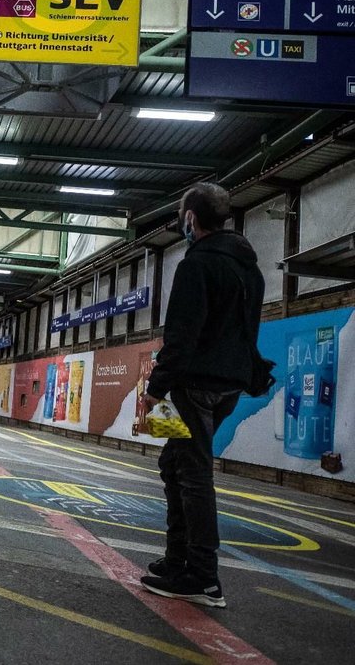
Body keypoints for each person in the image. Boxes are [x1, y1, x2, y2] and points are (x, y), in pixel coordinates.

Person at [139, 183, 262, 609]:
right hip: (229, 385)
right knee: (174, 466)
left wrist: (155, 389)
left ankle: (203, 577)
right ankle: (177, 561)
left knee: (192, 475)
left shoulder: (196, 264)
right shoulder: (249, 268)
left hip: (194, 387)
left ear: (190, 218)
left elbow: (182, 335)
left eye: (180, 214)